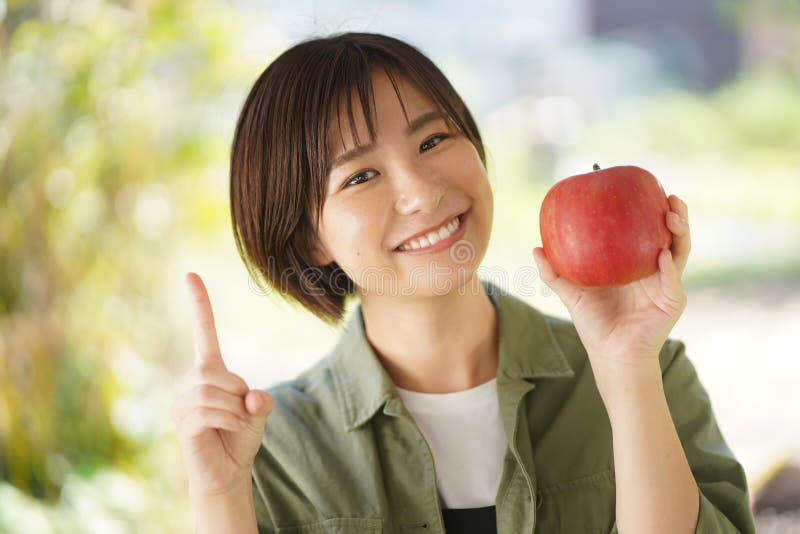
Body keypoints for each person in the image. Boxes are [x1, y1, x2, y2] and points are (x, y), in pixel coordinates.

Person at [170, 32, 756, 533]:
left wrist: (627, 369)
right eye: (361, 175)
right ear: (307, 239)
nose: (423, 192)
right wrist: (220, 496)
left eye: (433, 141)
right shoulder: (274, 449)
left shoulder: (652, 373)